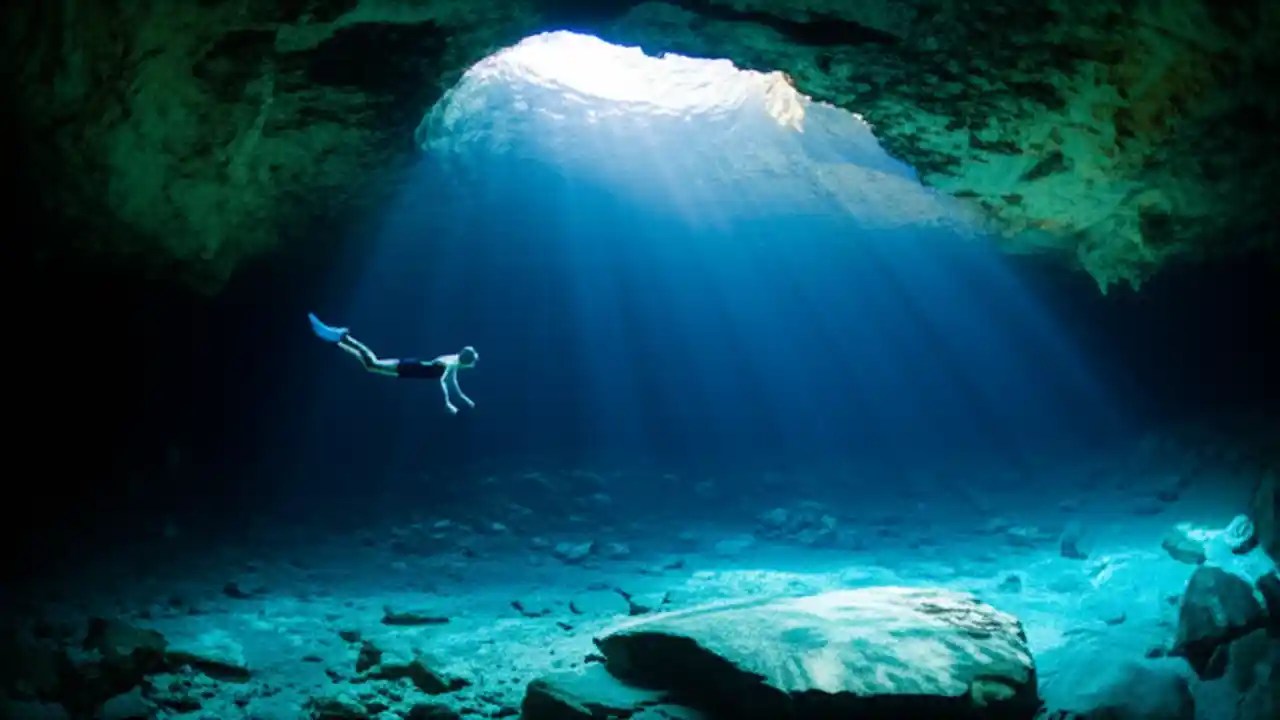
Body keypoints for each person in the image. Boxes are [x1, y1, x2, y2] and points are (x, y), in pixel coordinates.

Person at [308, 312, 478, 414]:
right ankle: (343, 337)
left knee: (370, 367)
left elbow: (452, 382)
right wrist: (447, 402)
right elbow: (443, 381)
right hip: (409, 367)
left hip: (409, 371)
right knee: (373, 363)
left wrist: (464, 399)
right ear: (467, 362)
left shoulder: (454, 362)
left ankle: (338, 342)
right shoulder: (450, 363)